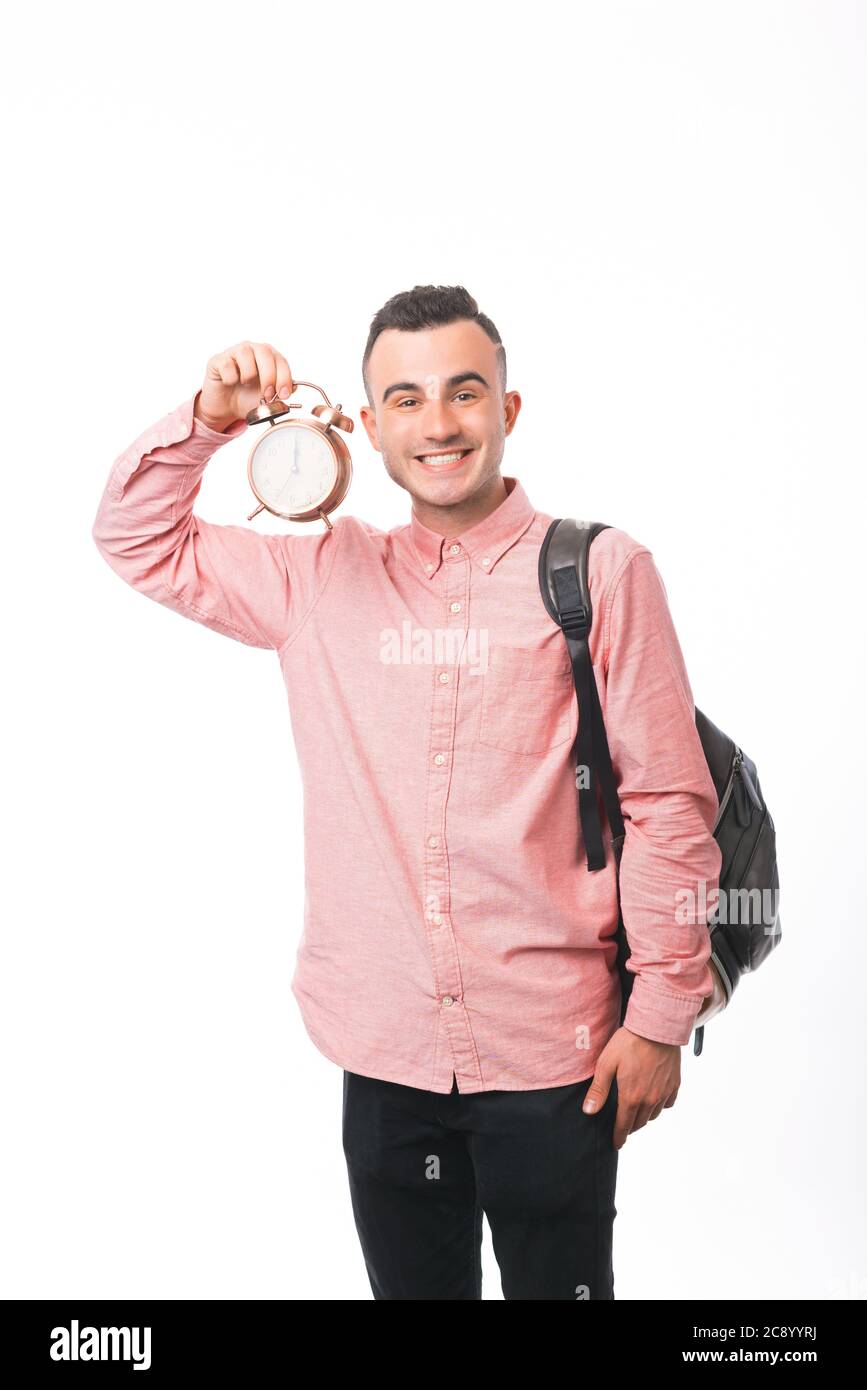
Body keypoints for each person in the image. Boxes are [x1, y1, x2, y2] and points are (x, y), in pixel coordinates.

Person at [92, 284, 725, 1300]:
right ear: (369, 425)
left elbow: (668, 807)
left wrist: (658, 1018)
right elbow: (136, 538)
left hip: (554, 1051)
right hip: (383, 1055)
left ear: (507, 410)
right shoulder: (314, 580)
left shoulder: (603, 571)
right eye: (408, 399)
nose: (439, 423)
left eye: (465, 393)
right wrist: (209, 421)